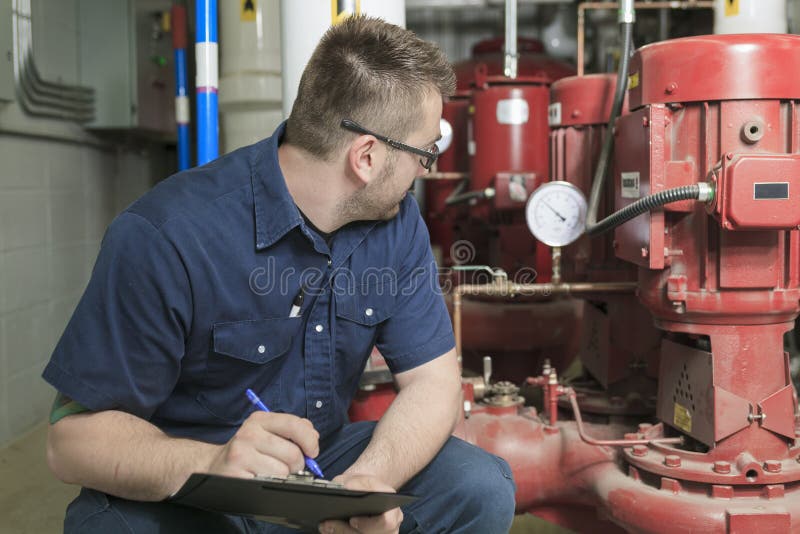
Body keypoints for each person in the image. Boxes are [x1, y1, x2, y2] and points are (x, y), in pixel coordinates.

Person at [43, 16, 516, 534]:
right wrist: (208, 465)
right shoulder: (167, 235)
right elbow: (70, 445)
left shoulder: (396, 227)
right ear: (367, 156)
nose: (426, 170)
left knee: (478, 485)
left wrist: (365, 487)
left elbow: (433, 382)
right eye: (425, 153)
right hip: (188, 484)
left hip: (320, 472)